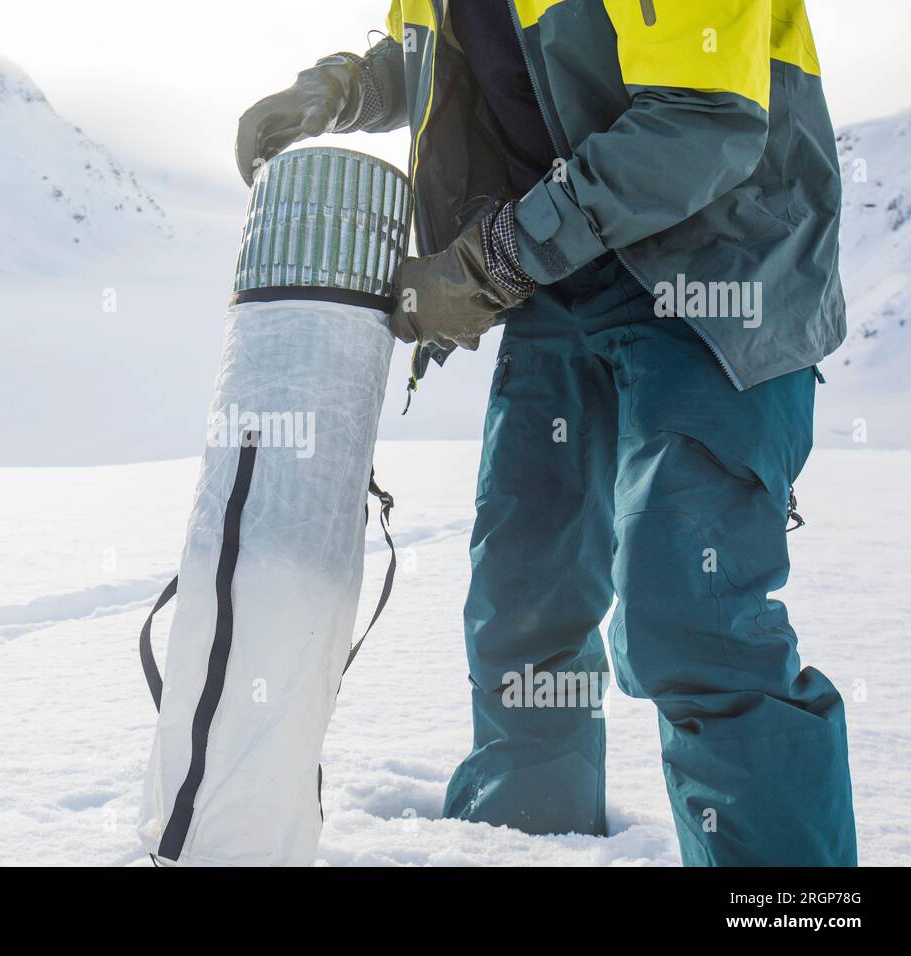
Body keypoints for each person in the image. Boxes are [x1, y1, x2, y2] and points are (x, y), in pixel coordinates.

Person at [234, 0, 857, 866]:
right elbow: (455, 55)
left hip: (722, 269)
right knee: (524, 595)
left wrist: (493, 261)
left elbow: (702, 123)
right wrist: (342, 89)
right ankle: (525, 848)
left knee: (691, 614)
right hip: (561, 278)